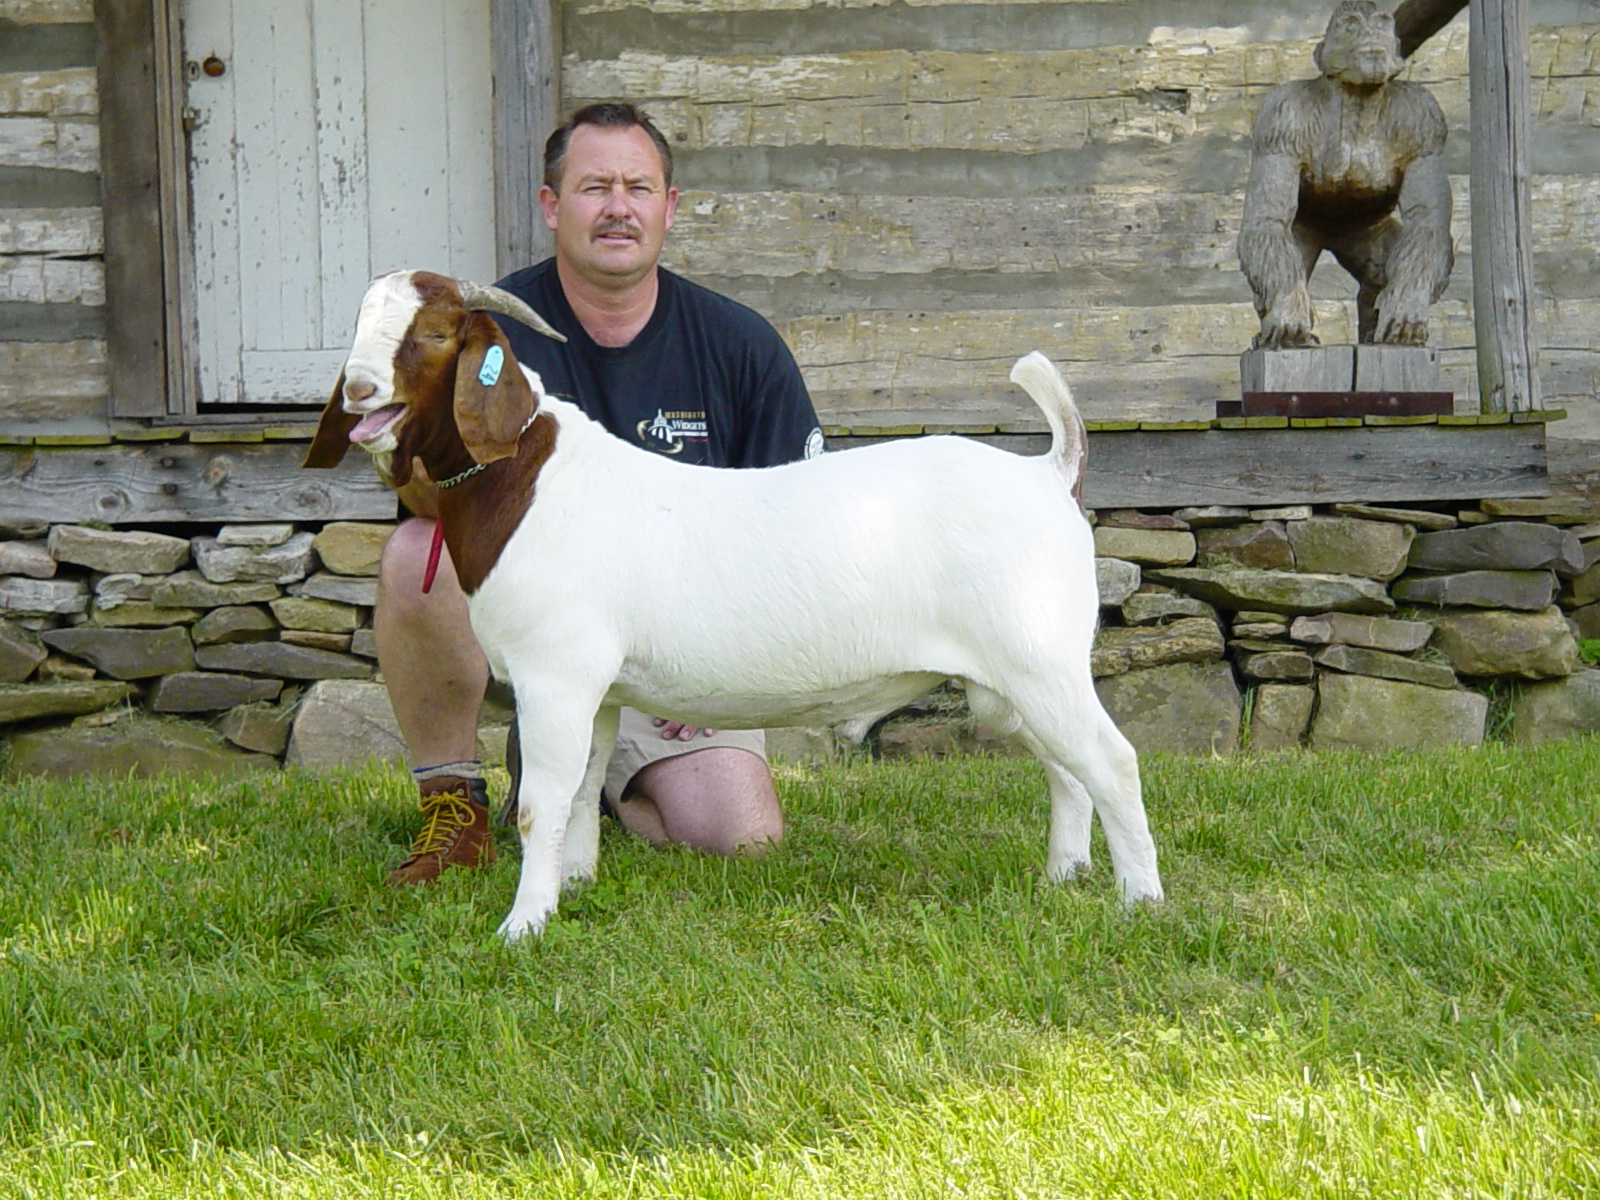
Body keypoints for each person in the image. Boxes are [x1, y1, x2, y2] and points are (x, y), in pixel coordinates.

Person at [375, 102, 825, 885]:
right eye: (594, 187)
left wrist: (718, 661)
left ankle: (594, 784)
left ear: (669, 208)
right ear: (552, 207)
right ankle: (455, 806)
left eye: (638, 187)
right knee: (418, 553)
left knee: (742, 837)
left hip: (685, 647)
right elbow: (429, 504)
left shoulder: (740, 345)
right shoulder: (486, 339)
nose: (619, 207)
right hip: (535, 632)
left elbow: (802, 524)